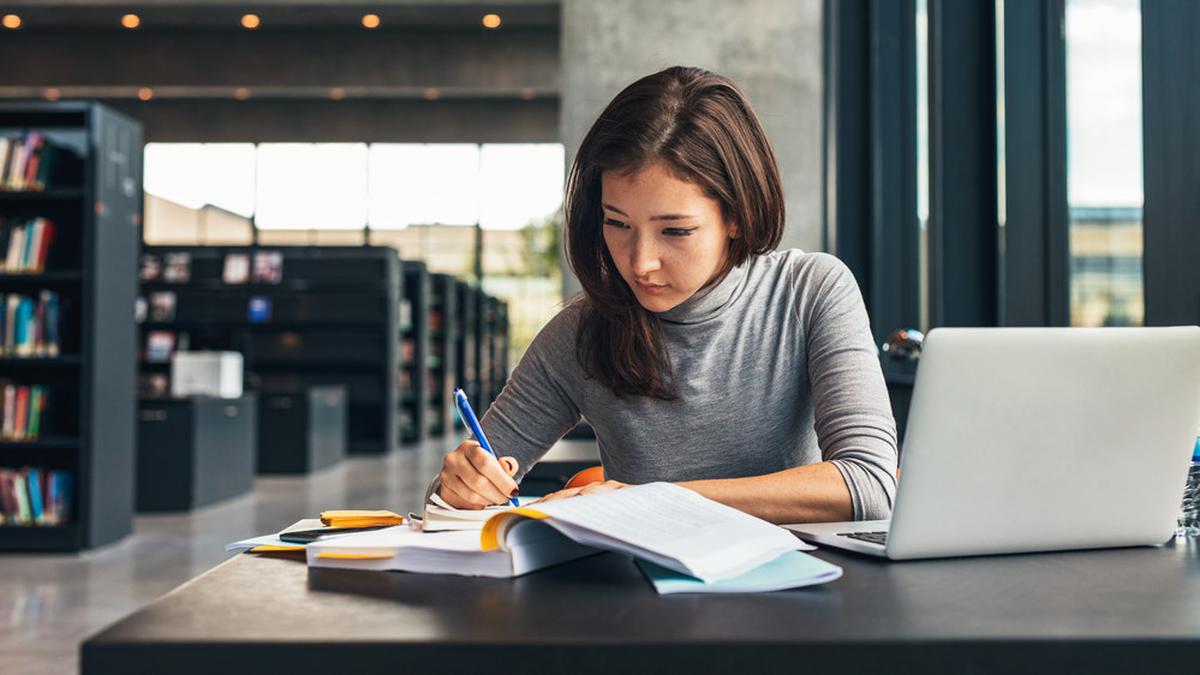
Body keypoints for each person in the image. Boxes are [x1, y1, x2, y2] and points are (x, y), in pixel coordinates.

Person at [431, 66, 897, 524]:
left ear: (736, 215)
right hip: (644, 596)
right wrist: (460, 487)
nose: (640, 263)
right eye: (617, 224)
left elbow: (869, 485)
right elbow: (446, 502)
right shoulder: (580, 332)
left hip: (800, 589)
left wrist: (650, 500)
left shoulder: (809, 291)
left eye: (675, 230)